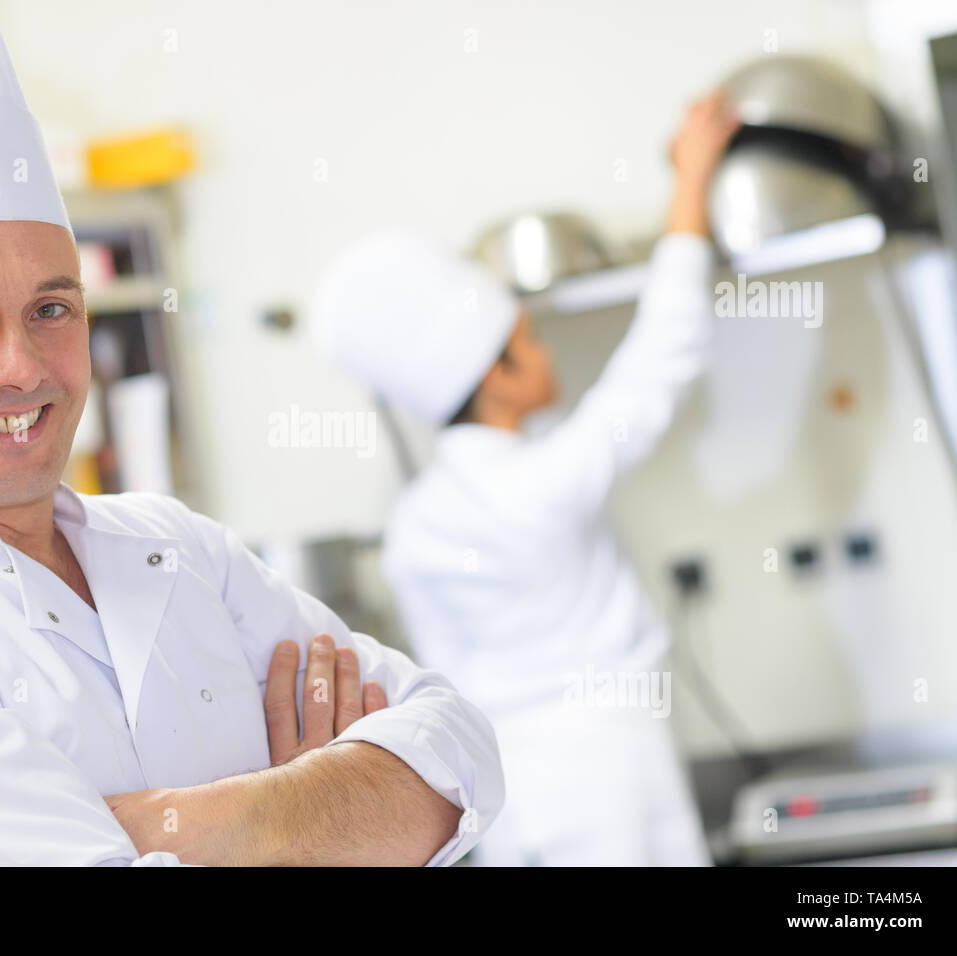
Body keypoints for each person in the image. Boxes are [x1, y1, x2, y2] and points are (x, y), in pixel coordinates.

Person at [0, 0, 503, 867]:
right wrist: (323, 804)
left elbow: (461, 757)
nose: (21, 367)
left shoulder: (178, 549)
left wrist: (183, 824)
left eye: (52, 308)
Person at [308, 93, 741, 865]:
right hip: (612, 780)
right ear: (499, 378)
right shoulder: (541, 485)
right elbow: (667, 353)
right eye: (528, 341)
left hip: (502, 801)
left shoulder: (414, 527)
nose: (546, 354)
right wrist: (692, 179)